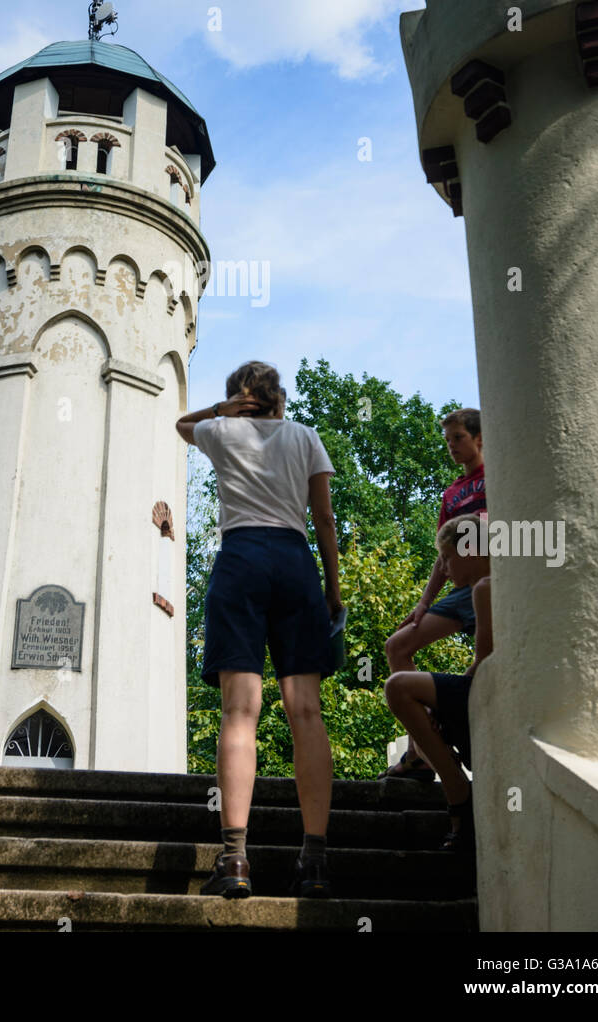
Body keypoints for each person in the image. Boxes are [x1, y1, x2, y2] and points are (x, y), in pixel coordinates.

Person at [176, 360, 344, 899]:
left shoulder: (222, 431)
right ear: (280, 400)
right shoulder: (305, 437)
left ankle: (236, 860)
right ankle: (314, 863)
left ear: (238, 398)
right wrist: (332, 588)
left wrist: (222, 411)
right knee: (306, 711)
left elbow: (181, 425)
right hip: (295, 564)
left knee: (239, 711)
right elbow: (323, 521)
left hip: (242, 558)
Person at [379, 408, 485, 781]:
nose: (452, 446)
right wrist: (424, 603)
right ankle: (421, 753)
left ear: (479, 439)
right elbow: (444, 554)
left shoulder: (502, 474)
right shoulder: (453, 493)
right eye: (448, 441)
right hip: (460, 591)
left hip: (495, 585)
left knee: (484, 662)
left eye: (458, 438)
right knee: (397, 645)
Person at [384, 511, 492, 850]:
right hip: (484, 689)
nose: (442, 569)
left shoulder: (486, 590)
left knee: (398, 687)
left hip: (491, 695)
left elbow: (486, 661)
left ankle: (456, 791)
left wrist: (441, 705)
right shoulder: (481, 589)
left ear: (472, 552)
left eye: (447, 558)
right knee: (402, 680)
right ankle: (453, 785)